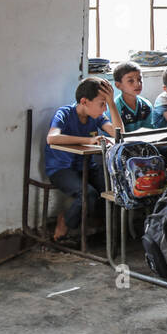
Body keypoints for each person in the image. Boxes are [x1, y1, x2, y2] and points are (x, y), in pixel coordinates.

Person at [44, 78, 117, 244]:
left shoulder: (97, 116)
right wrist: (88, 140)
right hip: (61, 169)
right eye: (102, 103)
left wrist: (112, 104)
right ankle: (65, 222)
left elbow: (118, 133)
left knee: (111, 187)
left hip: (86, 166)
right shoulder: (64, 113)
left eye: (106, 104)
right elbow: (52, 138)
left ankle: (103, 231)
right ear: (84, 101)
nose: (104, 108)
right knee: (88, 194)